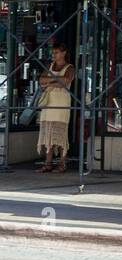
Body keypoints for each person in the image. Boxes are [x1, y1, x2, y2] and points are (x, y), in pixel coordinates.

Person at [36, 45, 74, 174]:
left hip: (61, 103)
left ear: (64, 53)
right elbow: (41, 80)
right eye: (53, 53)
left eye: (56, 52)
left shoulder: (69, 67)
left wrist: (49, 82)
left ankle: (62, 163)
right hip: (49, 103)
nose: (54, 55)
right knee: (48, 134)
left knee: (60, 134)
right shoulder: (50, 66)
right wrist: (55, 81)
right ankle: (48, 163)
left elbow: (65, 81)